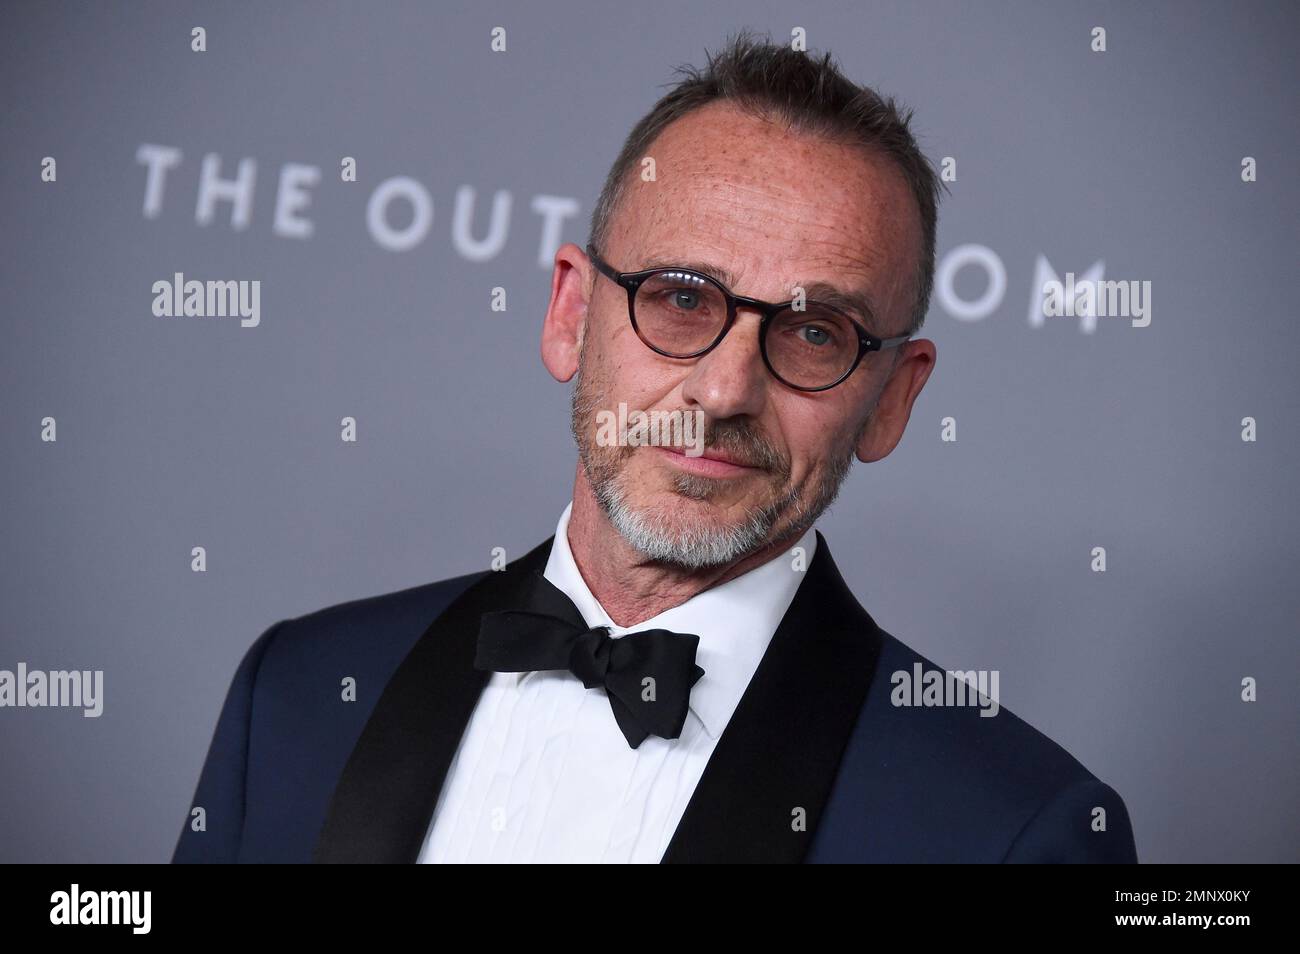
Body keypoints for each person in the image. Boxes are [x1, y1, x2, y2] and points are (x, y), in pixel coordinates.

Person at [174, 32, 1137, 864]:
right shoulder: (297, 692)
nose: (723, 392)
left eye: (813, 334)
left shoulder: (1013, 830)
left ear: (892, 397)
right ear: (569, 315)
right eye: (682, 298)